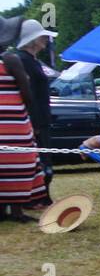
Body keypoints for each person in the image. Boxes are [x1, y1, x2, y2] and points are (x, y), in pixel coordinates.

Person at [0, 16, 47, 222]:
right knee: (19, 164)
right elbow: (26, 93)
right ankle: (17, 210)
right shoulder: (10, 60)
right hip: (14, 122)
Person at [13, 19, 55, 204]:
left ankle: (41, 196)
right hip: (34, 120)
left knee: (43, 159)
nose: (46, 39)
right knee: (38, 160)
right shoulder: (23, 61)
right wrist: (34, 122)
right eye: (42, 36)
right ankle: (36, 198)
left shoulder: (32, 61)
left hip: (41, 118)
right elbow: (28, 95)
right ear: (33, 39)